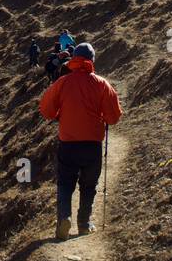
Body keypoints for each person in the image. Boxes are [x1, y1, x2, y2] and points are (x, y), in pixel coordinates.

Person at [38, 42, 122, 240]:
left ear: (74, 59)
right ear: (92, 60)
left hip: (68, 142)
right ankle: (84, 224)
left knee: (65, 183)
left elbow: (46, 110)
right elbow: (113, 118)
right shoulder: (102, 84)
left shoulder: (63, 82)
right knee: (89, 185)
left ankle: (63, 218)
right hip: (92, 144)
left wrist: (60, 114)